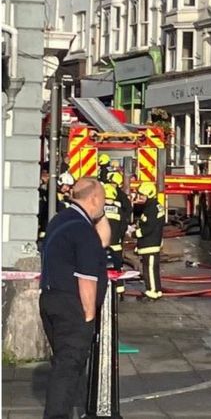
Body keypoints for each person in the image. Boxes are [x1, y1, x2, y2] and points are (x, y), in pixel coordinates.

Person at [39, 177, 110, 419]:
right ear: (94, 199)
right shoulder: (82, 232)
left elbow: (104, 241)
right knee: (68, 368)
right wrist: (89, 317)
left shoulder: (61, 221)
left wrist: (98, 216)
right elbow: (87, 280)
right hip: (72, 307)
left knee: (64, 365)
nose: (106, 202)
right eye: (103, 198)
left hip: (50, 300)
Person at [133, 182, 165, 300]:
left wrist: (134, 233)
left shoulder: (151, 210)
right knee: (152, 269)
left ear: (149, 195)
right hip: (151, 243)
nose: (140, 197)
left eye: (142, 195)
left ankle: (152, 291)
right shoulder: (154, 206)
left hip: (150, 244)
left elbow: (148, 227)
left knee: (150, 270)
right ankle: (156, 290)